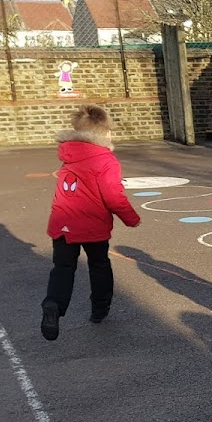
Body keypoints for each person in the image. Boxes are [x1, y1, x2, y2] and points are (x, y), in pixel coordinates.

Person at [41, 104, 141, 342]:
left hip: (62, 223)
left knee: (63, 268)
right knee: (99, 264)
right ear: (102, 133)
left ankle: (54, 304)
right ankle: (100, 308)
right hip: (91, 224)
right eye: (109, 131)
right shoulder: (104, 159)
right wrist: (131, 218)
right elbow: (112, 195)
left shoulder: (69, 153)